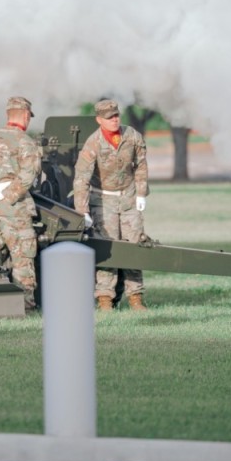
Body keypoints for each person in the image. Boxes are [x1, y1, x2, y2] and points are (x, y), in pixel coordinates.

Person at [72, 98, 149, 311]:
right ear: (99, 120)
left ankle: (136, 297)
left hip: (129, 198)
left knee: (135, 246)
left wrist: (141, 193)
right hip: (103, 201)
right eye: (109, 117)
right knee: (107, 248)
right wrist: (82, 211)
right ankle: (105, 298)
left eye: (116, 115)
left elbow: (141, 165)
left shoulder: (132, 136)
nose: (114, 120)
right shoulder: (93, 143)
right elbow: (81, 178)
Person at [0, 96, 41, 313]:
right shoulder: (26, 141)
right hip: (15, 209)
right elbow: (28, 175)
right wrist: (8, 195)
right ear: (25, 116)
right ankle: (26, 307)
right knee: (23, 258)